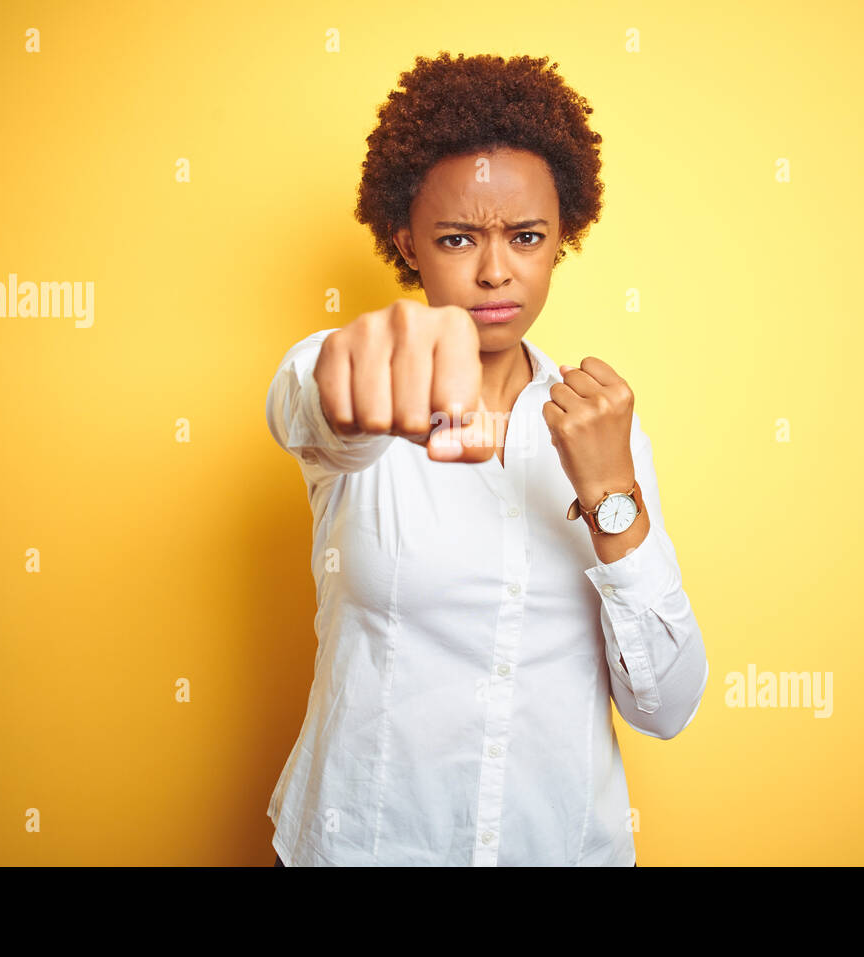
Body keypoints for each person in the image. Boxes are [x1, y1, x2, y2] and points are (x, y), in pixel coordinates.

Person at [265, 52, 708, 867]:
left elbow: (667, 704)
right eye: (458, 237)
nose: (496, 269)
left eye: (527, 236)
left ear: (561, 237)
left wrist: (613, 491)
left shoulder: (602, 425)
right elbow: (314, 400)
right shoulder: (364, 374)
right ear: (406, 240)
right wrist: (348, 385)